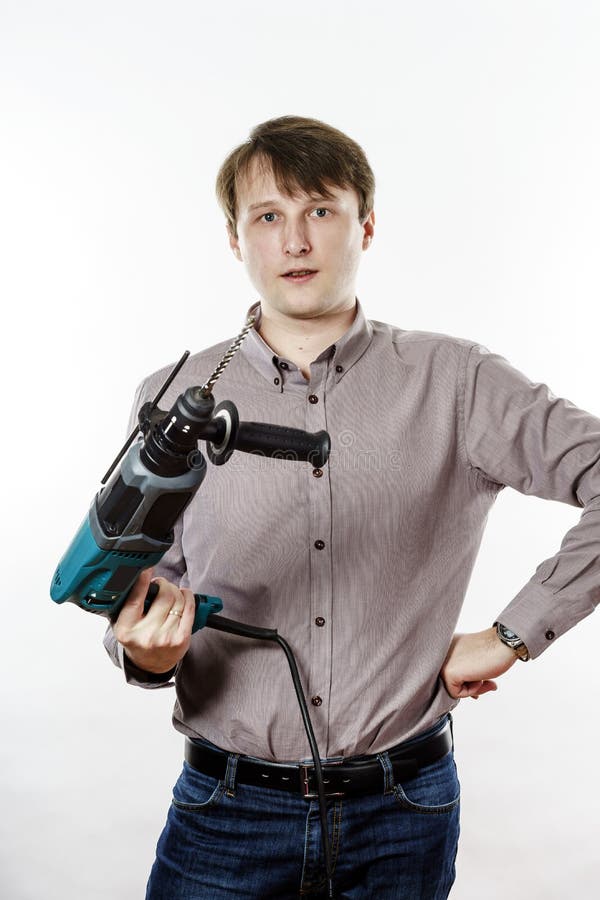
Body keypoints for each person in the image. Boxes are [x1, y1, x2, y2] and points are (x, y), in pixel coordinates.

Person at [104, 116, 600, 899]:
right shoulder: (172, 398)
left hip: (403, 810)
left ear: (365, 225)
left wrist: (514, 634)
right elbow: (140, 578)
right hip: (223, 809)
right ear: (237, 240)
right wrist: (144, 654)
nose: (295, 240)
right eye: (268, 216)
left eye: (320, 211)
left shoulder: (458, 382)